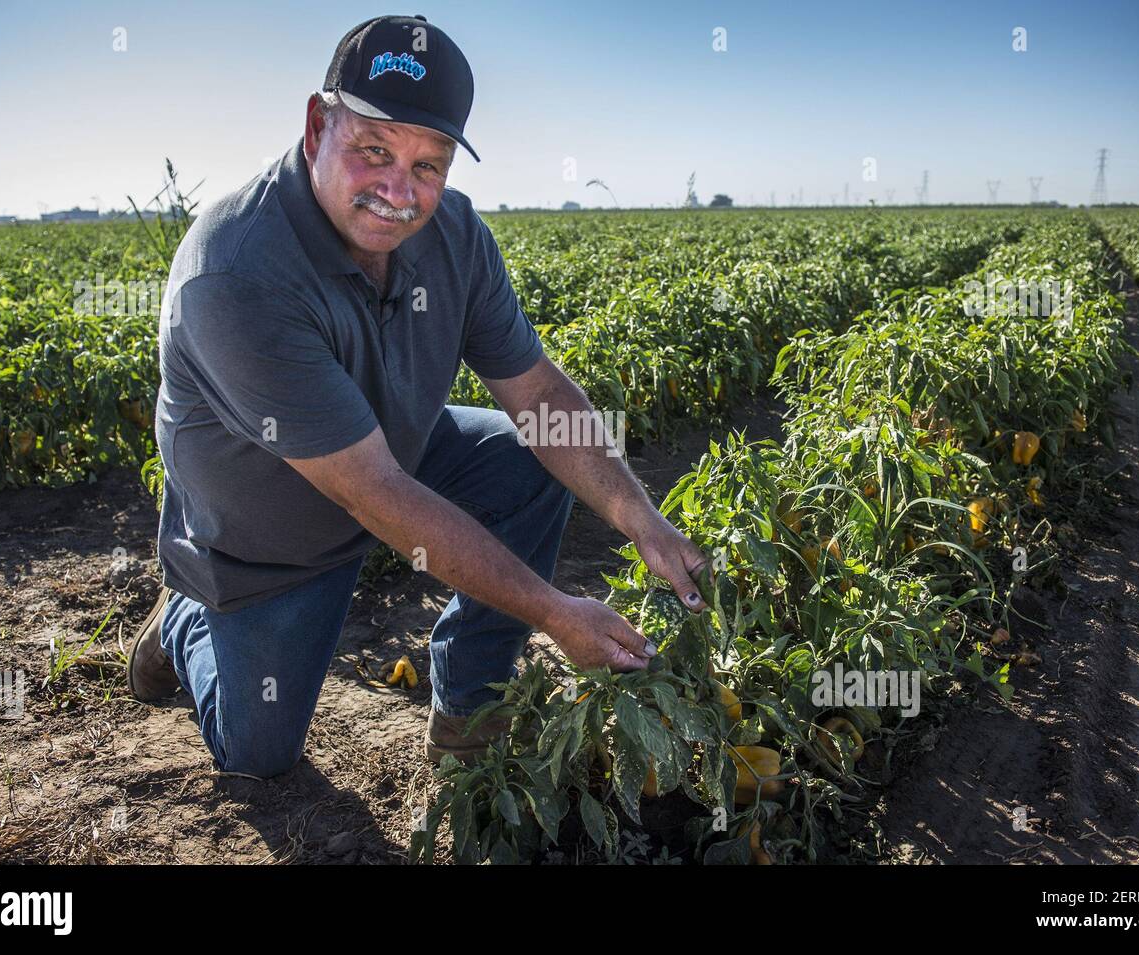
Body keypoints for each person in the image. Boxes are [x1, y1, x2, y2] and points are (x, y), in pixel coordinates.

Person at [126, 15, 709, 778]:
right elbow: (372, 491)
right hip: (265, 540)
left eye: (428, 165)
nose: (399, 192)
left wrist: (642, 518)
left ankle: (468, 710)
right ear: (315, 126)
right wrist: (554, 613)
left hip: (385, 455)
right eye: (374, 149)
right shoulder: (237, 273)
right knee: (259, 753)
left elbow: (536, 391)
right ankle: (184, 624)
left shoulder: (455, 237)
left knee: (527, 457)